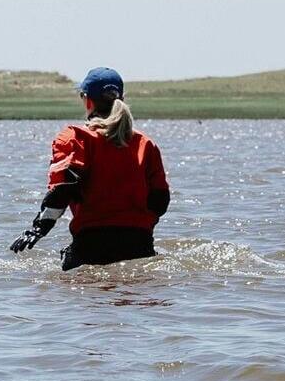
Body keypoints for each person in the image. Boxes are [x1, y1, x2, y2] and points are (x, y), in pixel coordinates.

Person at [10, 67, 170, 271]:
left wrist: (37, 229)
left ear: (86, 99)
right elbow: (160, 202)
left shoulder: (76, 139)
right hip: (140, 245)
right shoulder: (145, 144)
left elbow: (63, 190)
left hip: (91, 246)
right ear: (122, 98)